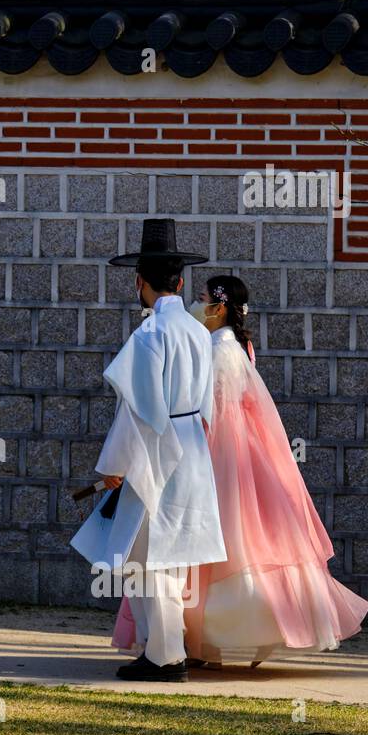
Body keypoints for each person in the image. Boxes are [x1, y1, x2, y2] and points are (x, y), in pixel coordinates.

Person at [111, 275, 368, 666]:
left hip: (219, 455)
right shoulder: (235, 346)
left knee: (210, 545)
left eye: (201, 300)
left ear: (217, 309)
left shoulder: (217, 350)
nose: (195, 306)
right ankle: (194, 643)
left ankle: (194, 639)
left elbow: (211, 412)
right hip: (240, 451)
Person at [70, 218, 225, 683]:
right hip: (192, 448)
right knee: (166, 560)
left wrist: (114, 466)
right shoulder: (199, 331)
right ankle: (166, 649)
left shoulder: (149, 335)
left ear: (140, 282)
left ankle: (163, 657)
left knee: (146, 559)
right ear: (180, 282)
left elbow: (137, 410)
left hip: (157, 453)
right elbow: (207, 403)